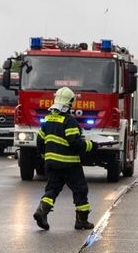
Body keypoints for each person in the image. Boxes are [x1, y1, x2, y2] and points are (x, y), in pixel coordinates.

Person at [33, 87, 97, 231]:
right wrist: (91, 146)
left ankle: (41, 211)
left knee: (52, 189)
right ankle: (81, 221)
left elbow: (40, 142)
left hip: (51, 164)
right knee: (80, 190)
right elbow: (75, 143)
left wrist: (45, 157)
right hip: (69, 165)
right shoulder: (69, 121)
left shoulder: (47, 120)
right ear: (70, 102)